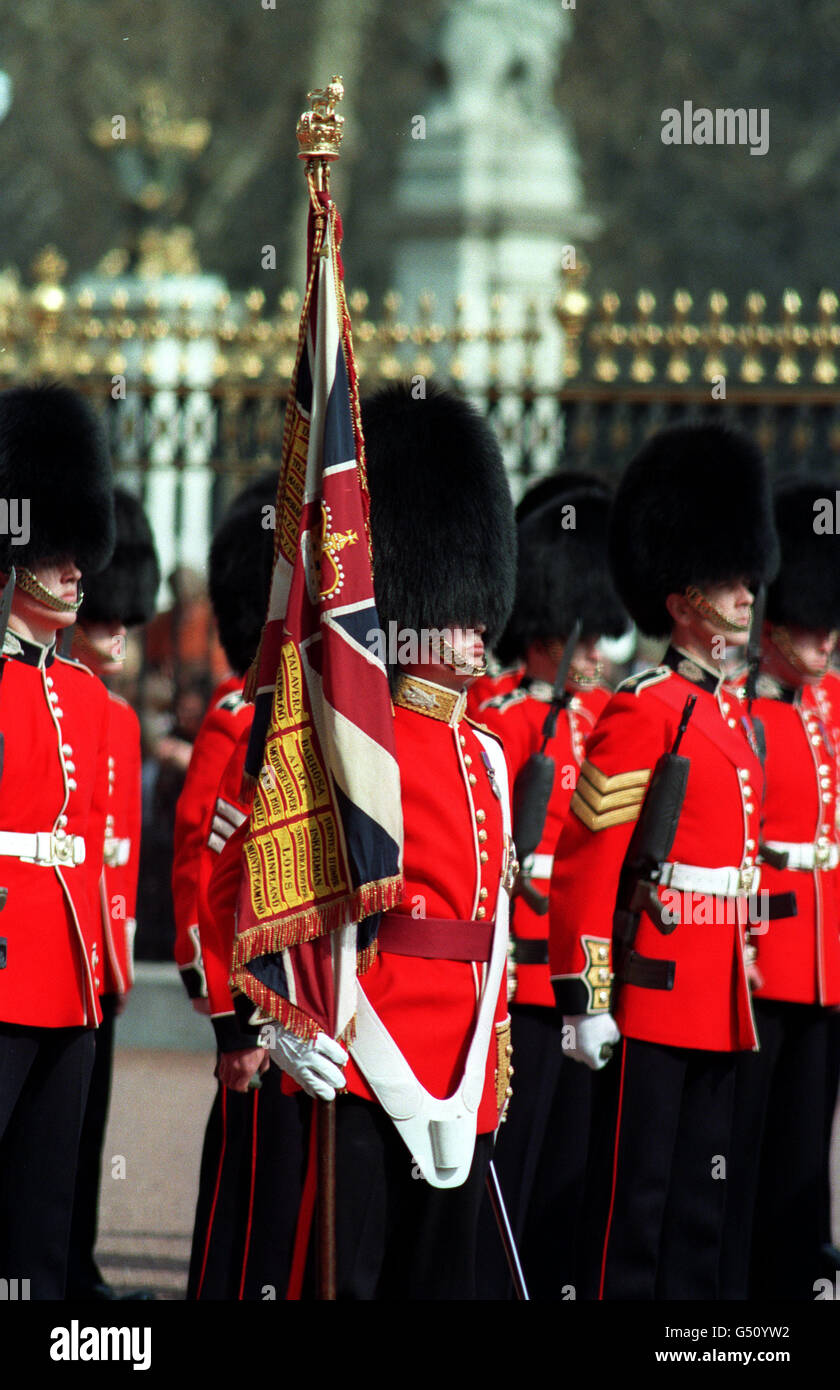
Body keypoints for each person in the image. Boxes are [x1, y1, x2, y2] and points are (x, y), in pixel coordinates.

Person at [211, 382, 517, 1299]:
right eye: (457, 610)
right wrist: (273, 1014)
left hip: (467, 1060)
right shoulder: (345, 731)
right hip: (363, 1043)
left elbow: (492, 921)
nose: (473, 632)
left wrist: (494, 1051)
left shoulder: (490, 757)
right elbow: (248, 871)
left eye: (478, 611)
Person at [549, 419, 779, 1300]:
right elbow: (590, 861)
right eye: (726, 578)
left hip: (720, 994)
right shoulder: (649, 708)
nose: (746, 592)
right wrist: (586, 995)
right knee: (632, 1211)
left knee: (696, 1213)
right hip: (651, 996)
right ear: (681, 596)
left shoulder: (727, 715)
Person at [475, 478, 626, 1298]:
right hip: (516, 980)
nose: (601, 644)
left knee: (570, 1172)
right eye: (589, 629)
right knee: (512, 1165)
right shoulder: (497, 715)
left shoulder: (601, 718)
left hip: (578, 981)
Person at [174, 472, 304, 1302]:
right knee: (243, 1213)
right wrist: (231, 1019)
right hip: (259, 1011)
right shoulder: (235, 719)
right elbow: (204, 876)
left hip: (319, 1020)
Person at [0, 381, 115, 1299]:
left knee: (45, 1205)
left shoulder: (84, 691)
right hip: (4, 962)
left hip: (71, 972)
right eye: (59, 552)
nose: (80, 571)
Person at [720, 476, 840, 1299]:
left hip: (827, 960)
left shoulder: (829, 704)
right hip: (766, 959)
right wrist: (746, 942)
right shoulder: (746, 709)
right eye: (813, 622)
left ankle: (799, 1278)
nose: (827, 639)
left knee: (806, 1143)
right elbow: (737, 844)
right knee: (749, 1145)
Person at [65, 486, 160, 1301]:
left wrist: (116, 957)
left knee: (87, 1130)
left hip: (100, 957)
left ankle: (74, 1262)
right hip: (56, 943)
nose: (121, 630)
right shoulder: (66, 704)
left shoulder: (121, 723)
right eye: (108, 616)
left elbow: (120, 857)